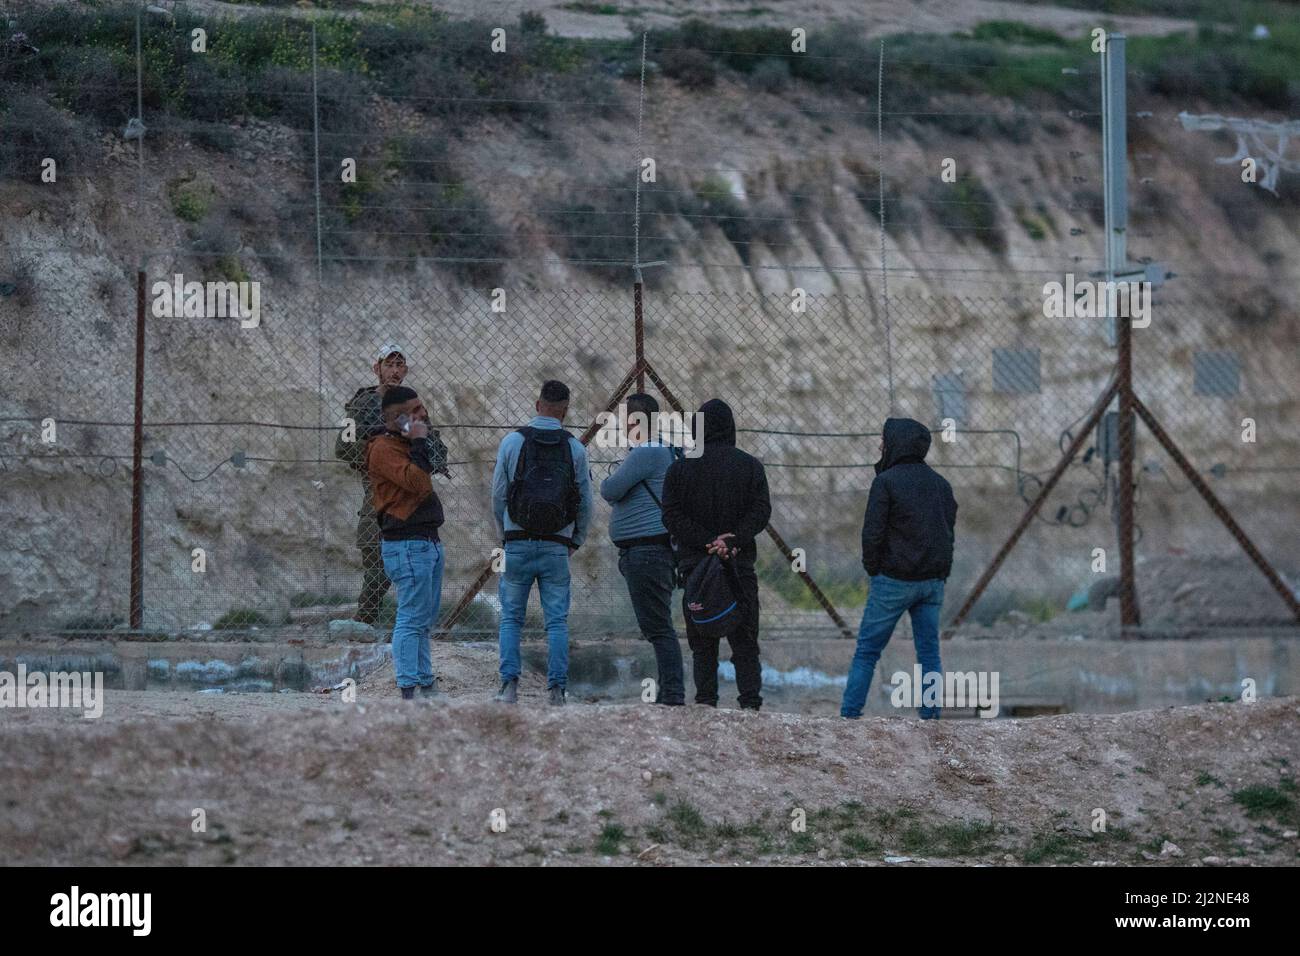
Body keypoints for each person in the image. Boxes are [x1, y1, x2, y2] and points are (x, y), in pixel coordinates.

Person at [840, 417, 958, 720]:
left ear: (896, 443)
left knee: (867, 652)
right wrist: (940, 573)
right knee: (929, 653)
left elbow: (872, 533)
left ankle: (848, 718)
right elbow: (948, 532)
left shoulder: (886, 482)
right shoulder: (941, 485)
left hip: (893, 581)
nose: (881, 445)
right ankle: (930, 718)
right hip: (932, 583)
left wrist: (873, 569)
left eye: (884, 439)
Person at [661, 399, 771, 710]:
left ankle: (706, 702)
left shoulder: (679, 469)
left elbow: (671, 515)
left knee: (703, 642)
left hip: (697, 568)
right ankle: (750, 704)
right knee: (745, 641)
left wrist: (707, 541)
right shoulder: (750, 466)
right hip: (738, 566)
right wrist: (732, 540)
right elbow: (760, 511)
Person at [490, 380, 593, 706]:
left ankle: (509, 689)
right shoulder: (575, 448)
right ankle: (556, 692)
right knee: (557, 621)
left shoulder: (512, 442)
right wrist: (575, 539)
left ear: (538, 405)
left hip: (517, 542)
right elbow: (586, 503)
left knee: (511, 618)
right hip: (556, 545)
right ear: (565, 411)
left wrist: (505, 531)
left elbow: (498, 493)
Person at [335, 345, 447, 627]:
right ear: (377, 368)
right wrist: (381, 458)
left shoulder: (409, 406)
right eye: (390, 364)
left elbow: (436, 449)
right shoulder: (363, 405)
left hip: (412, 490)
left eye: (400, 364)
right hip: (380, 491)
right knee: (376, 563)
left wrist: (410, 453)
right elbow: (343, 447)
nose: (395, 370)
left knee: (417, 567)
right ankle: (366, 623)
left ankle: (404, 628)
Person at [599, 394, 685, 706]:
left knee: (659, 629)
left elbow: (610, 489)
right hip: (651, 552)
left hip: (647, 552)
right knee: (658, 626)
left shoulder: (647, 451)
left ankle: (673, 695)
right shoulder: (659, 450)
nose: (622, 427)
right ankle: (671, 693)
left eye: (626, 420)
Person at [364, 386, 446, 700]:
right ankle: (408, 689)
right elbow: (418, 481)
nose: (423, 414)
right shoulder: (384, 448)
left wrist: (419, 439)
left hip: (426, 542)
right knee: (411, 618)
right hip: (408, 545)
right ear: (398, 418)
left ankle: (426, 685)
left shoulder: (405, 443)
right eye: (415, 411)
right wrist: (420, 440)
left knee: (423, 620)